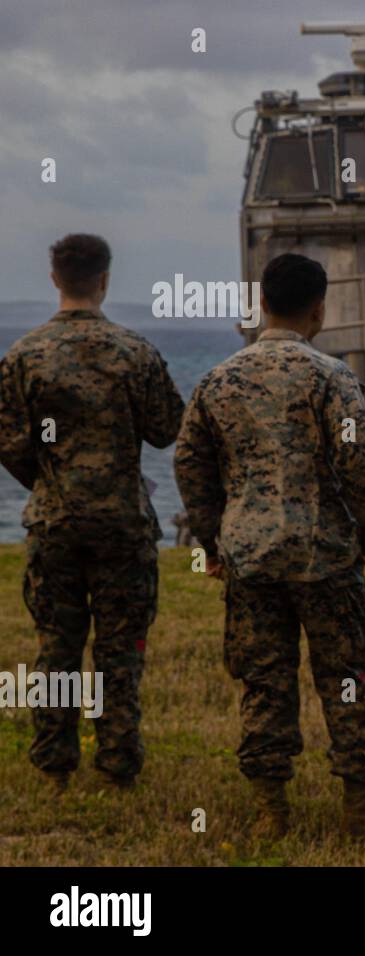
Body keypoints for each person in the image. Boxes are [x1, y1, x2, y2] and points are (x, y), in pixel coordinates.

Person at [173, 253, 365, 841]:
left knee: (264, 682)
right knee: (347, 678)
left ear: (262, 305)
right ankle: (360, 807)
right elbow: (359, 459)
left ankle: (270, 809)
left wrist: (212, 538)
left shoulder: (218, 380)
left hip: (250, 558)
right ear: (319, 309)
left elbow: (190, 462)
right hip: (325, 557)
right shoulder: (332, 377)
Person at [0, 233, 184, 792]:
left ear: (54, 278)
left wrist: (48, 480)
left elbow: (9, 442)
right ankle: (117, 763)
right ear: (104, 279)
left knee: (56, 647)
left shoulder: (23, 355)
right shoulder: (135, 352)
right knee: (120, 651)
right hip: (123, 523)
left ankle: (55, 765)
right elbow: (167, 429)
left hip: (54, 520)